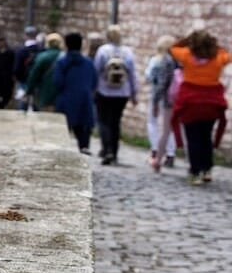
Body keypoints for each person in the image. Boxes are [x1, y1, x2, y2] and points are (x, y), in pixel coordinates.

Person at [169, 29, 230, 184]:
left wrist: (186, 39)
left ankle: (195, 172)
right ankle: (207, 170)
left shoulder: (186, 55)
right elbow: (228, 54)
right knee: (206, 137)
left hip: (190, 104)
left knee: (193, 138)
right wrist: (214, 45)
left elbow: (172, 48)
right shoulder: (218, 57)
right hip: (211, 104)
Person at [93, 24, 138, 165]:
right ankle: (115, 151)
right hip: (122, 93)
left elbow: (96, 70)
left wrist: (93, 88)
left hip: (104, 91)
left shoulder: (103, 51)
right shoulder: (127, 52)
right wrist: (134, 93)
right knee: (116, 122)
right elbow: (132, 74)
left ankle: (107, 150)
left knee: (103, 120)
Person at [53, 32, 98, 152]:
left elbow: (57, 82)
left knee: (62, 133)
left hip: (66, 100)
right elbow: (94, 81)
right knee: (83, 133)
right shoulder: (88, 62)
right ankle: (84, 148)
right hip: (85, 100)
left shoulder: (62, 62)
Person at [144, 35, 178, 171]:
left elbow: (150, 77)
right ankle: (170, 153)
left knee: (153, 123)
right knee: (172, 128)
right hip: (175, 97)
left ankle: (155, 150)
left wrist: (155, 101)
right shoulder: (178, 62)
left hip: (159, 96)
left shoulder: (157, 61)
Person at [25, 32, 64, 112]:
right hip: (61, 96)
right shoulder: (65, 57)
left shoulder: (42, 56)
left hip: (44, 95)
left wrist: (28, 91)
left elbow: (33, 76)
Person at [13, 25, 41, 110]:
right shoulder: (40, 49)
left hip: (23, 80)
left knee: (22, 103)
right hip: (37, 81)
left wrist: (17, 77)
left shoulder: (21, 50)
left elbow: (17, 67)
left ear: (26, 35)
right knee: (36, 104)